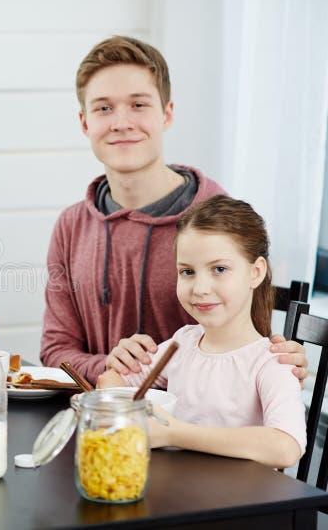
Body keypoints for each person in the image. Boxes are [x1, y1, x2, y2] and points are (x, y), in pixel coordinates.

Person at [40, 35, 308, 385]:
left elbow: (245, 356)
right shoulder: (71, 226)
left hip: (197, 427)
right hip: (101, 422)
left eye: (138, 105)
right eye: (104, 108)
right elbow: (56, 349)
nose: (121, 122)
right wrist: (110, 366)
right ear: (85, 122)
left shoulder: (220, 220)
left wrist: (280, 361)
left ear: (167, 114)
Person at [97, 195, 305, 468]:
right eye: (187, 272)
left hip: (239, 505)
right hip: (177, 493)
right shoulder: (183, 342)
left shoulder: (272, 361)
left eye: (219, 269)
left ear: (255, 273)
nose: (200, 288)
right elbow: (110, 381)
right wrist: (127, 409)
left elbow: (286, 447)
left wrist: (172, 432)